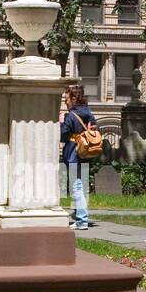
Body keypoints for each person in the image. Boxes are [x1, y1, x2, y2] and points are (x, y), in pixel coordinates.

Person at [60, 84, 98, 230]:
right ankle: (79, 215)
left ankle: (82, 220)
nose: (66, 102)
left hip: (73, 155)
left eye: (67, 99)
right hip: (86, 154)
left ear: (74, 99)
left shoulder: (71, 116)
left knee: (76, 186)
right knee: (81, 186)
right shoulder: (89, 113)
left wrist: (61, 122)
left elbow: (63, 136)